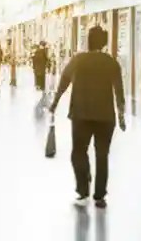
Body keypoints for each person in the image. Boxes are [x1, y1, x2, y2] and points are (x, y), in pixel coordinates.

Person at [49, 26, 126, 209]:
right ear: (104, 42)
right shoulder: (111, 62)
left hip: (81, 115)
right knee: (102, 155)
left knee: (78, 152)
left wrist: (55, 102)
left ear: (88, 41)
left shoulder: (78, 60)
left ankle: (83, 187)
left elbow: (64, 81)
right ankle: (100, 195)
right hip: (105, 116)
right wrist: (121, 115)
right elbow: (119, 90)